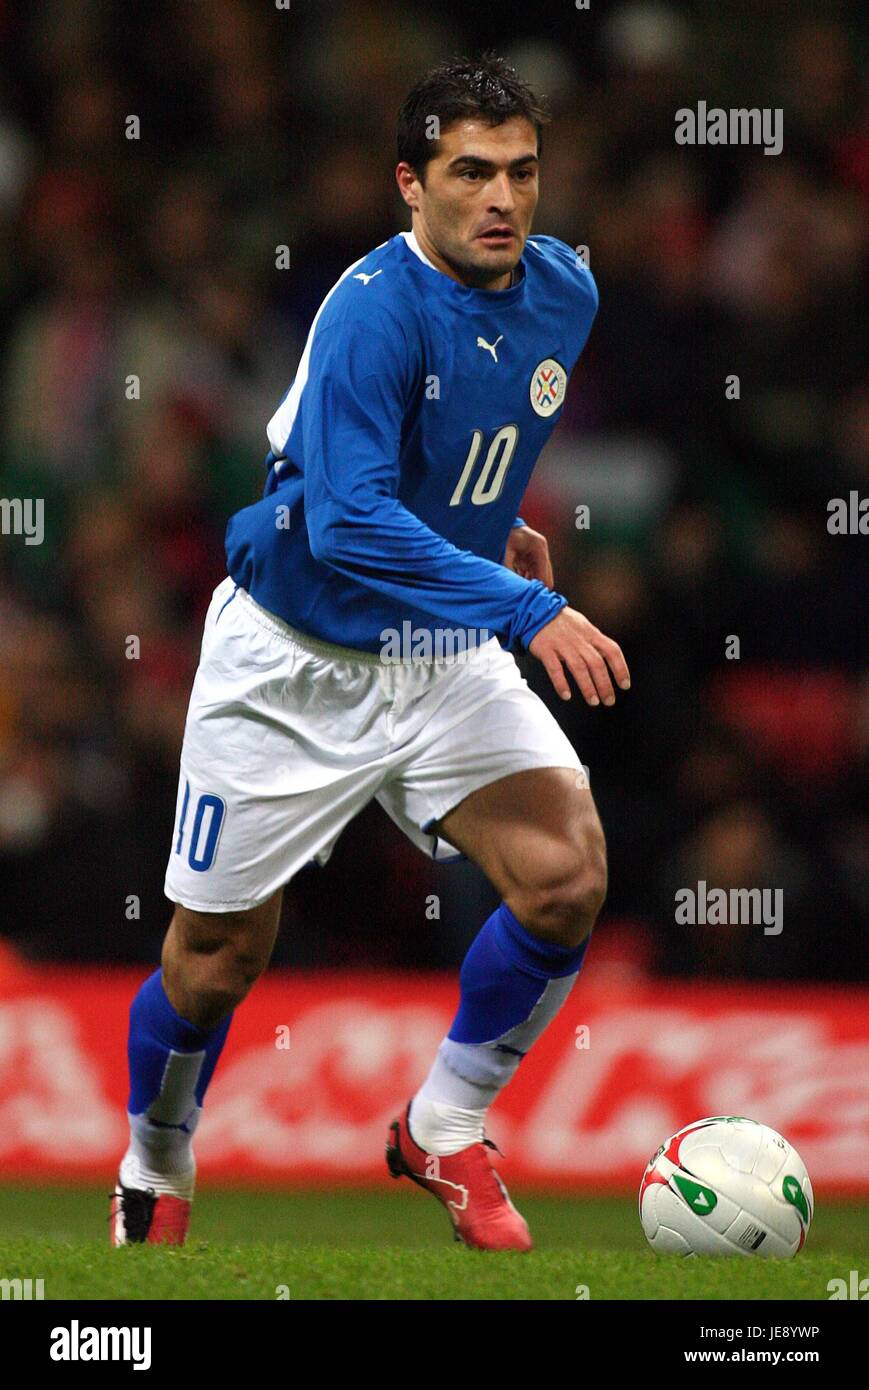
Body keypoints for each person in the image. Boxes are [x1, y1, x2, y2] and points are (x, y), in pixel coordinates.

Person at [111, 54, 630, 1252]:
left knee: (564, 872)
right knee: (215, 960)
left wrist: (489, 529)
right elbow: (342, 519)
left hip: (437, 652)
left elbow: (449, 448)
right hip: (292, 662)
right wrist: (516, 603)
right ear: (410, 183)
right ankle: (153, 1157)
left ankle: (441, 1128)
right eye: (468, 173)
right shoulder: (368, 309)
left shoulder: (564, 295)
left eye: (521, 172)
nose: (500, 198)